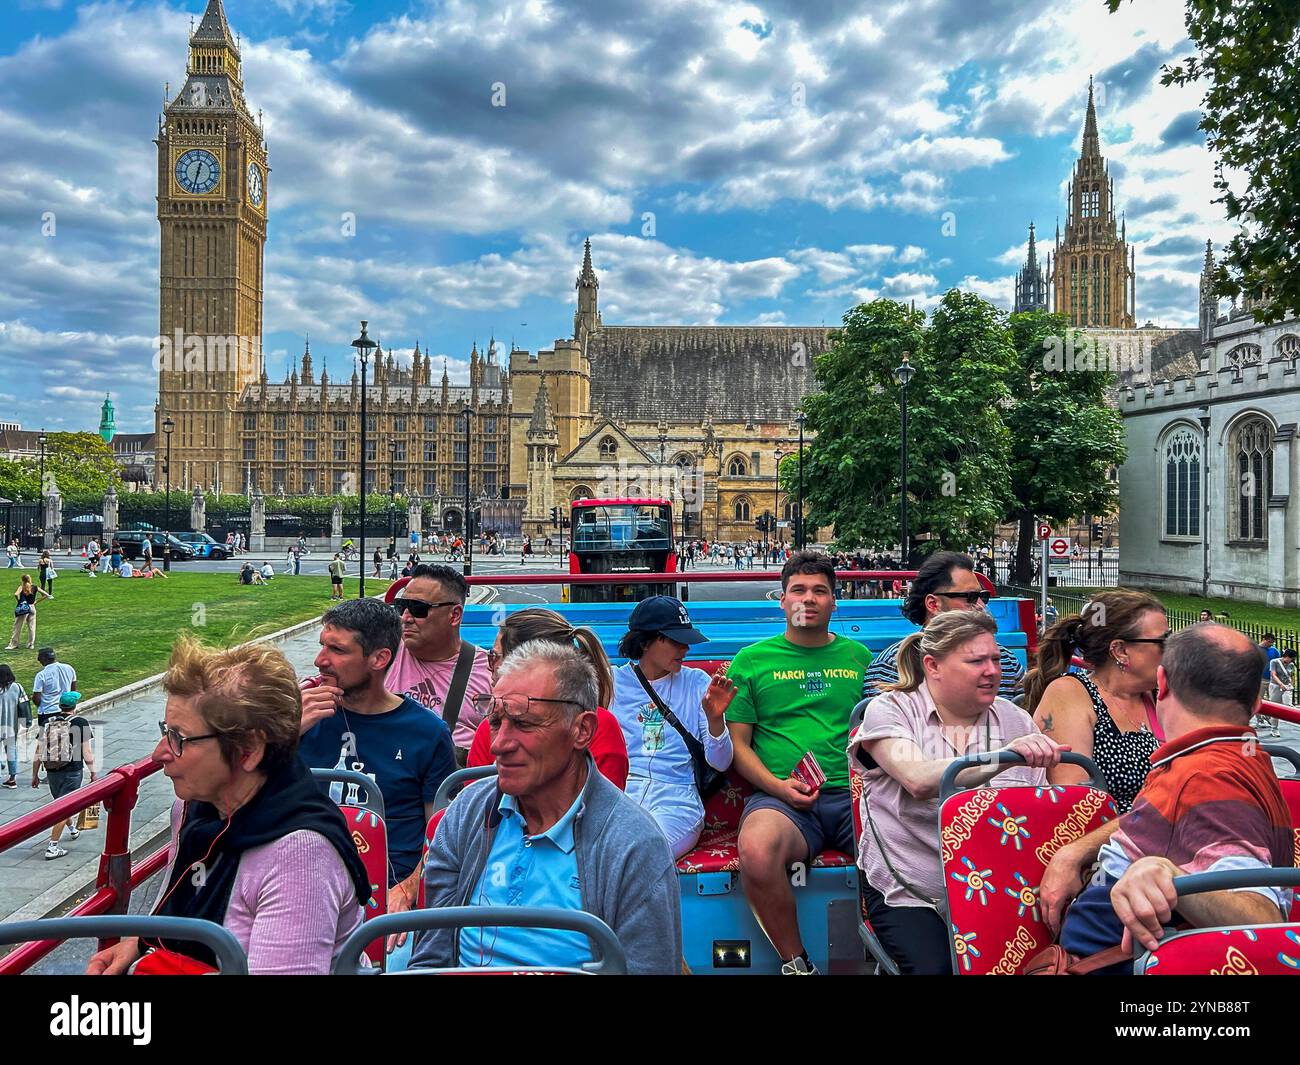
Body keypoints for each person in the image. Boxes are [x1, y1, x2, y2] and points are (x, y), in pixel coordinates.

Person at [86, 635, 370, 976]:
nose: (160, 753)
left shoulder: (300, 856)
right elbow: (178, 900)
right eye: (166, 731)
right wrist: (139, 941)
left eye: (179, 738)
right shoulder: (194, 808)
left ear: (248, 750)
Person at [412, 640, 682, 974]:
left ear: (581, 730)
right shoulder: (467, 812)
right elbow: (431, 955)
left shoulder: (635, 846)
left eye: (524, 723)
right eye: (495, 722)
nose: (499, 744)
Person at [1056, 624, 1293, 968]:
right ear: (1257, 701)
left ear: (1162, 682)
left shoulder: (1206, 777)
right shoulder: (1243, 756)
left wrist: (1166, 873)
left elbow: (1262, 918)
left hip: (1114, 964)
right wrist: (1076, 851)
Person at [848, 610, 1065, 974]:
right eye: (976, 661)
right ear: (933, 665)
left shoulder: (1015, 719)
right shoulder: (890, 711)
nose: (992, 671)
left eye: (995, 659)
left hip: (1004, 883)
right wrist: (1003, 758)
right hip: (916, 889)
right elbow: (917, 778)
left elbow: (1038, 811)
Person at [727, 551, 873, 974]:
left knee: (911, 842)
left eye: (819, 591)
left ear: (834, 602)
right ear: (782, 600)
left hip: (855, 794)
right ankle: (797, 963)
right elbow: (738, 746)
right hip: (783, 801)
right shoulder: (751, 661)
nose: (808, 599)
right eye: (798, 590)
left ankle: (894, 952)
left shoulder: (860, 659)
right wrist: (777, 787)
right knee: (756, 850)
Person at [297, 598, 456, 970]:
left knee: (399, 962)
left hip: (387, 895)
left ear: (379, 659)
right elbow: (247, 804)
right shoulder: (300, 717)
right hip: (302, 883)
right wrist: (284, 737)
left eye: (336, 650)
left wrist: (409, 888)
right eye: (322, 645)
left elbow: (441, 834)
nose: (321, 660)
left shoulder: (427, 733)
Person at [609, 596, 736, 858]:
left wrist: (715, 720)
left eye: (686, 641)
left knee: (644, 854)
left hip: (676, 799)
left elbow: (720, 763)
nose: (685, 649)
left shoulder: (697, 683)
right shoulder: (611, 682)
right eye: (676, 641)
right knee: (601, 851)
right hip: (620, 792)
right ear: (645, 641)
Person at [1025, 589, 1167, 814]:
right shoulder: (1070, 695)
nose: (1172, 651)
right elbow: (1076, 807)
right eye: (1163, 642)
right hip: (1107, 842)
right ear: (1120, 651)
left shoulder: (1162, 697)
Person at [466, 607, 629, 789]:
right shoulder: (488, 728)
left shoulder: (600, 727)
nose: (499, 745)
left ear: (522, 663)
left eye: (495, 657)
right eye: (498, 723)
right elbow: (475, 806)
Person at [862, 552, 1023, 704]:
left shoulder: (1004, 661)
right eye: (970, 597)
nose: (981, 606)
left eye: (983, 597)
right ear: (933, 604)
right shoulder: (894, 665)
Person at [385, 564, 493, 759]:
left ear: (455, 615)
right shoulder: (383, 655)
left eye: (419, 609)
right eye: (402, 606)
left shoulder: (488, 671)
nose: (406, 618)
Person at [31, 690, 96, 860]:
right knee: (65, 807)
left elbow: (38, 751)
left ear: (60, 706)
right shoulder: (80, 722)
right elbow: (86, 751)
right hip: (72, 770)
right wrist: (93, 772)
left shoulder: (47, 722)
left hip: (52, 770)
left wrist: (35, 774)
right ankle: (52, 846)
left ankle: (73, 829)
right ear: (75, 706)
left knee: (60, 802)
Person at [7, 574, 51, 651]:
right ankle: (31, 644)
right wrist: (36, 601)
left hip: (24, 608)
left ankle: (13, 644)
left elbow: (16, 594)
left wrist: (20, 601)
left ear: (22, 580)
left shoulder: (22, 587)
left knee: (18, 626)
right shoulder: (34, 587)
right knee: (32, 626)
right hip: (32, 607)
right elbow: (46, 595)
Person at [0, 663, 26, 788]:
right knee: (11, 751)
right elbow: (24, 706)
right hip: (11, 725)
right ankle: (12, 778)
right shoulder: (17, 687)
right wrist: (26, 721)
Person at [1263, 648, 1294, 735]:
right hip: (1275, 686)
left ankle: (1269, 716)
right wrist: (1280, 684)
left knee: (1287, 705)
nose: (1291, 660)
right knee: (1275, 706)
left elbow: (1290, 675)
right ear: (1286, 656)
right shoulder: (1274, 662)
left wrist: (1291, 683)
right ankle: (1274, 728)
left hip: (1286, 687)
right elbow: (1273, 674)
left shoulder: (1291, 665)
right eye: (1290, 658)